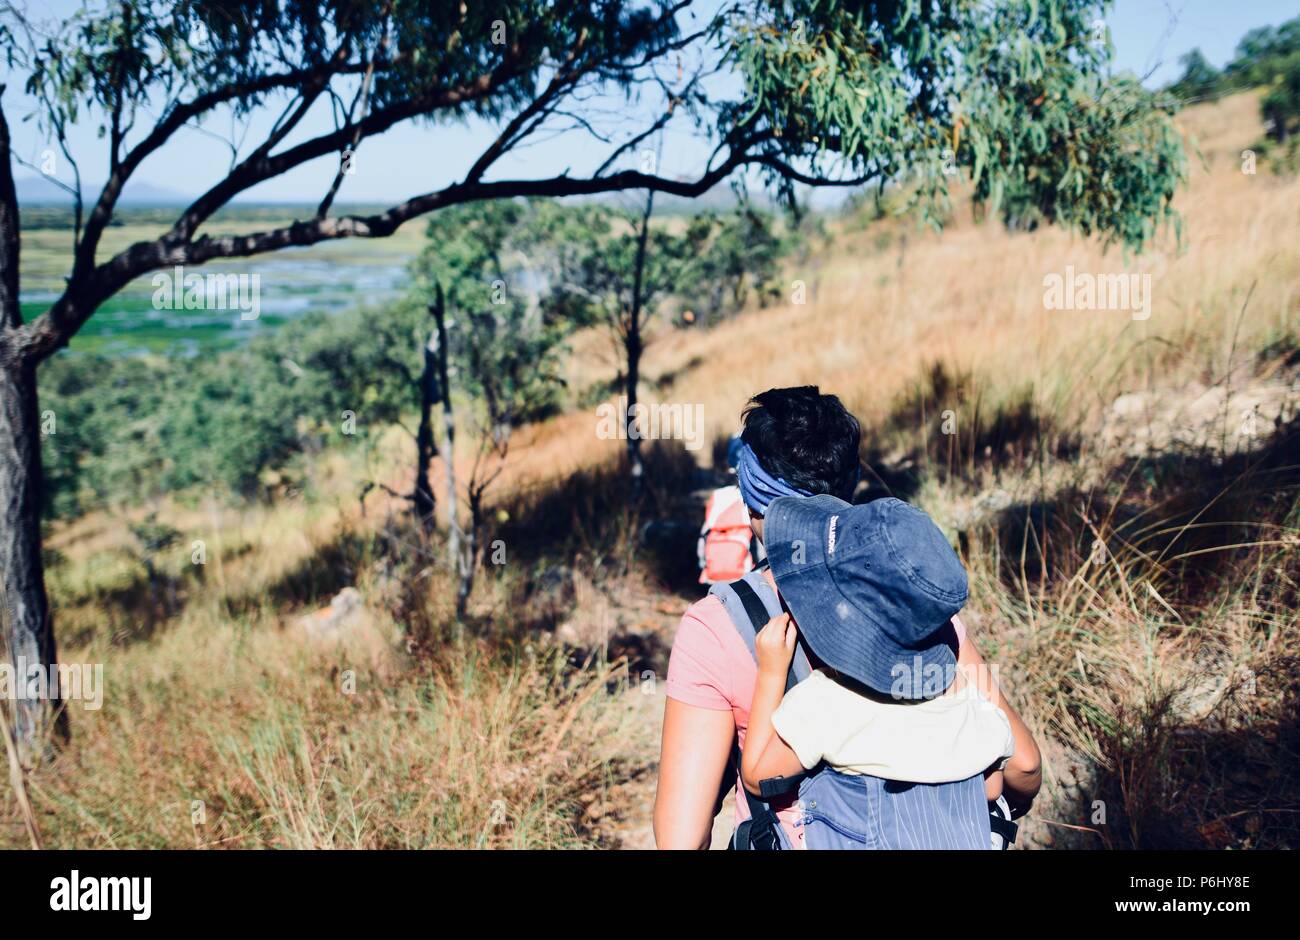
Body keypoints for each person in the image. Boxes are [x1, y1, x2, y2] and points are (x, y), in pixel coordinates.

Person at [653, 386, 1042, 849]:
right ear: (849, 483)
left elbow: (682, 839)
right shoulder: (914, 603)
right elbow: (1025, 765)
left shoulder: (717, 627)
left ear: (750, 496)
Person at [741, 493, 1014, 849]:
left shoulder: (826, 702)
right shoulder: (971, 706)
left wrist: (771, 675)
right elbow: (991, 789)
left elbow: (758, 777)